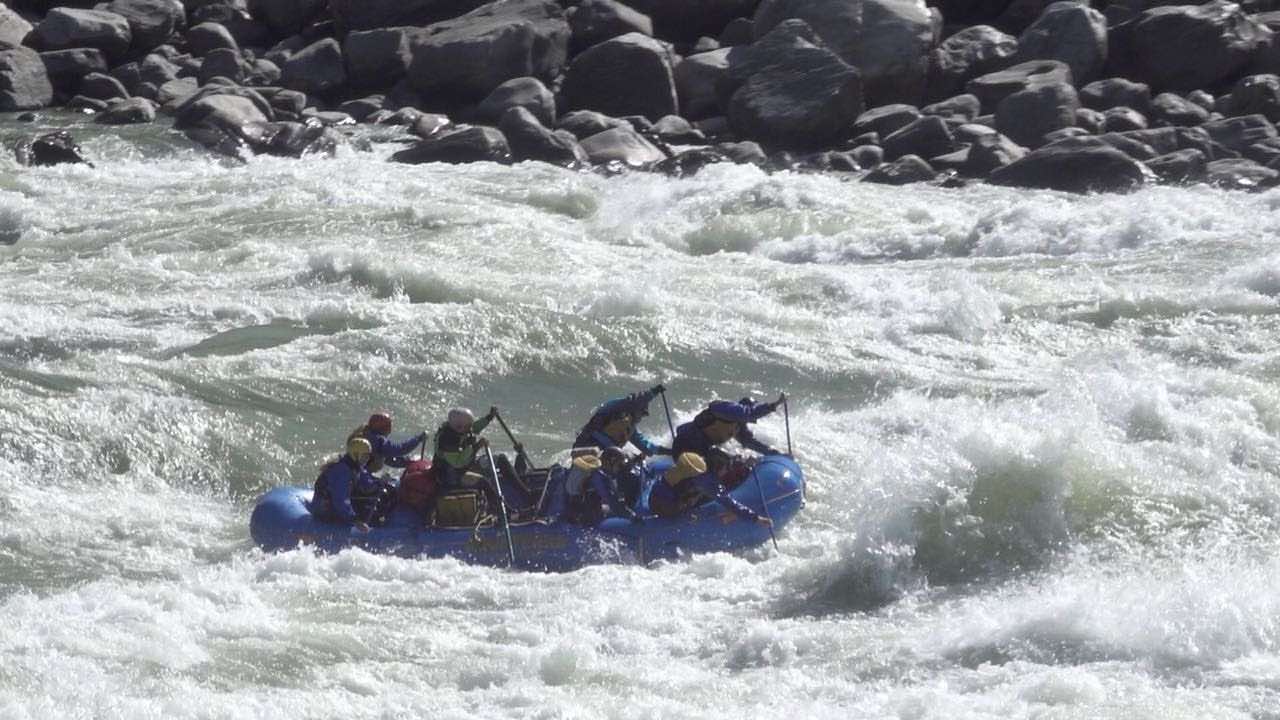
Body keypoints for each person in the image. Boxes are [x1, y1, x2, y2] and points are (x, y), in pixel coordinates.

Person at [649, 452, 771, 526]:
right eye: (725, 468)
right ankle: (686, 513)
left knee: (703, 493)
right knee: (714, 500)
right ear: (717, 468)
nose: (727, 470)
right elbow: (728, 501)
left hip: (655, 497)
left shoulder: (696, 467)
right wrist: (756, 518)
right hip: (666, 507)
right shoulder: (705, 482)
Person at [671, 395, 785, 473]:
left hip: (703, 449)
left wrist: (774, 453)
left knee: (735, 464)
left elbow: (750, 443)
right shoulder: (724, 410)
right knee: (721, 461)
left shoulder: (737, 426)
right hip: (686, 445)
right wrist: (774, 405)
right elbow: (751, 413)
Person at [573, 384, 668, 456]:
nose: (641, 417)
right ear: (635, 409)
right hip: (584, 447)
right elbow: (636, 400)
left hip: (602, 458)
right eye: (642, 413)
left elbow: (647, 446)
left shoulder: (631, 430)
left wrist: (668, 451)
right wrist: (653, 392)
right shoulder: (615, 408)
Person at [312, 437, 379, 532]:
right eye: (365, 456)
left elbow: (366, 481)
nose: (367, 459)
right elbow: (340, 500)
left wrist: (379, 483)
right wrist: (356, 520)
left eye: (368, 456)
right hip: (325, 510)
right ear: (356, 454)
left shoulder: (355, 466)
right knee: (363, 508)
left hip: (336, 504)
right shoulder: (342, 471)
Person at [570, 447, 641, 525]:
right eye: (619, 465)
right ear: (610, 463)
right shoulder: (597, 476)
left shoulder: (601, 468)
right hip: (575, 506)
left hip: (579, 498)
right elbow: (613, 503)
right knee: (596, 514)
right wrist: (632, 516)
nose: (620, 468)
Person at [432, 406, 496, 488]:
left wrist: (489, 417)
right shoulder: (447, 440)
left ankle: (517, 486)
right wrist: (477, 446)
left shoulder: (459, 429)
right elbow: (459, 463)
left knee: (499, 459)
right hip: (452, 476)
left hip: (465, 464)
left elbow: (475, 428)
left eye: (469, 425)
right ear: (460, 427)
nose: (470, 428)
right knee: (484, 482)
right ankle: (496, 500)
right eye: (468, 426)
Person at [350, 411, 428, 473]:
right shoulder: (377, 440)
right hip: (362, 476)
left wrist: (409, 463)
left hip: (357, 471)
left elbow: (390, 460)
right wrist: (418, 439)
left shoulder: (364, 433)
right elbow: (399, 450)